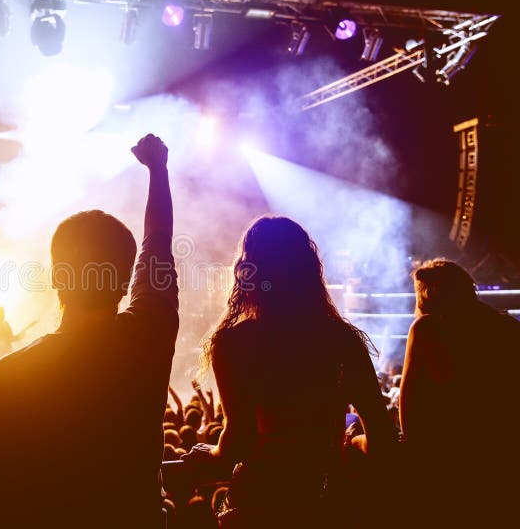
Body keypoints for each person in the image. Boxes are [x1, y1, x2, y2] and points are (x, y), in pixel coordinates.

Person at [0, 134, 178, 528]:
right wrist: (158, 171)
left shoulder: (7, 377)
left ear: (57, 277)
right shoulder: (148, 337)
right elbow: (157, 242)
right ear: (126, 281)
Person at [182, 216, 395, 526]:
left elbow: (238, 442)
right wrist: (357, 453)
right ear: (308, 271)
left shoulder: (235, 343)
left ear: (247, 272)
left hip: (262, 502)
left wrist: (209, 456)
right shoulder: (341, 340)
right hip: (329, 502)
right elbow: (380, 429)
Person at [399, 259, 520, 522]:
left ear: (428, 294)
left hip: (445, 460)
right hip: (501, 458)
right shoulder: (507, 326)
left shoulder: (427, 328)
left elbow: (408, 413)